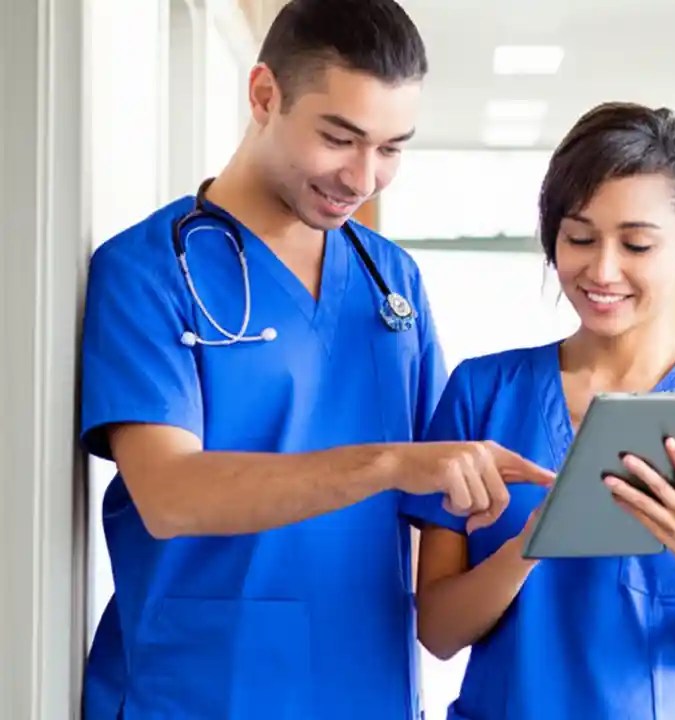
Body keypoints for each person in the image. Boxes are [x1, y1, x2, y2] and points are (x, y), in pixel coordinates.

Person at [78, 2, 552, 718]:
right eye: (340, 137)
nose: (363, 177)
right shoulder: (148, 270)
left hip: (366, 687)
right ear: (265, 95)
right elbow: (169, 495)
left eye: (392, 148)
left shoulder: (392, 283)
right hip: (201, 688)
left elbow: (441, 496)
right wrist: (389, 463)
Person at [402, 102, 675, 719]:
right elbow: (437, 633)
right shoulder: (481, 393)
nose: (602, 270)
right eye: (579, 237)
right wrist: (531, 543)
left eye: (637, 243)